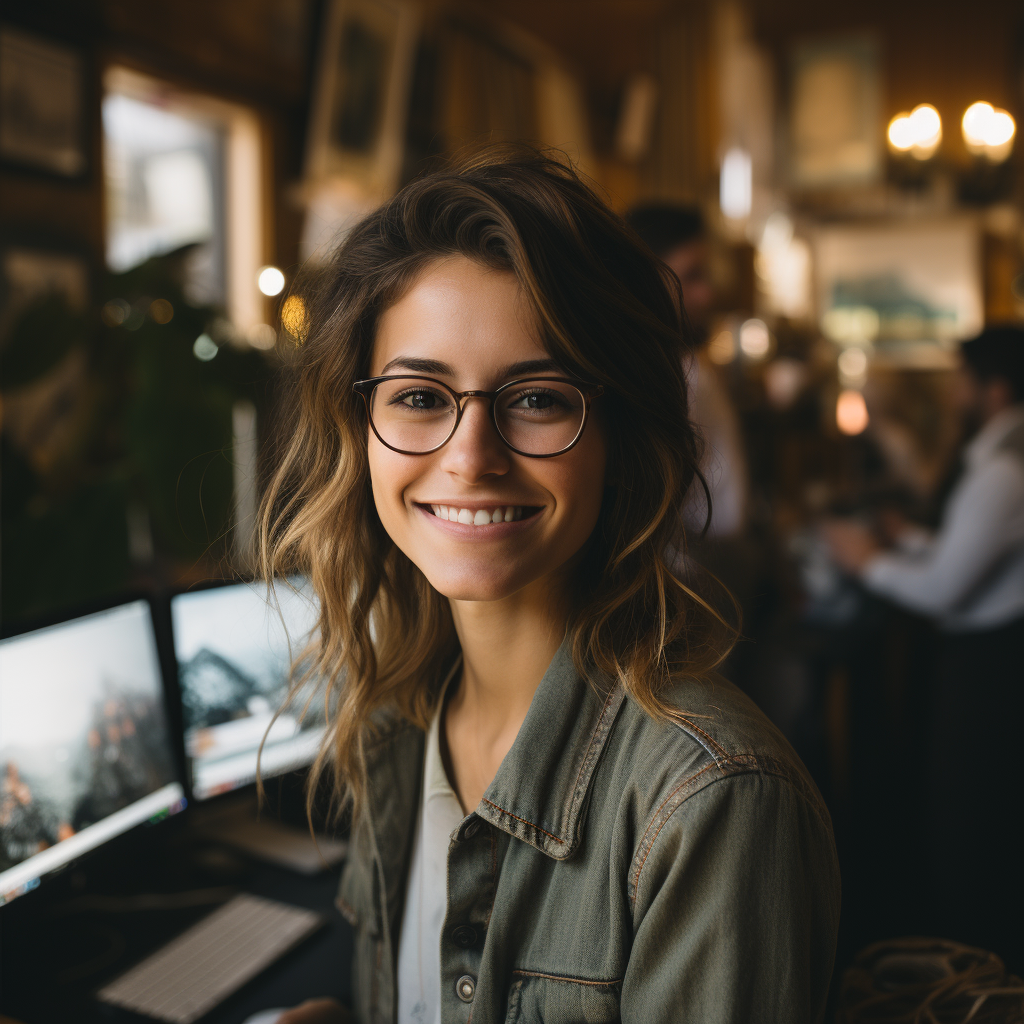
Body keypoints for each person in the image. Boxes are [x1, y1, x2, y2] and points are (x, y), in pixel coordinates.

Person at [263, 151, 840, 1024]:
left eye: (536, 399)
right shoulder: (393, 722)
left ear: (621, 438)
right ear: (361, 431)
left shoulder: (714, 802)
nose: (470, 457)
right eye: (419, 396)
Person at [824, 325, 1024, 970]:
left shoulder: (1004, 467)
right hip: (989, 658)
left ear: (992, 388)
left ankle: (977, 979)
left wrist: (864, 563)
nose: (956, 393)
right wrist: (902, 540)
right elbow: (962, 557)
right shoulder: (1000, 456)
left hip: (992, 670)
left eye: (963, 380)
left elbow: (944, 590)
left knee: (971, 831)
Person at [625, 204, 748, 539]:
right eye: (692, 276)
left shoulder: (688, 368)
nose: (707, 294)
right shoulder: (660, 381)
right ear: (643, 279)